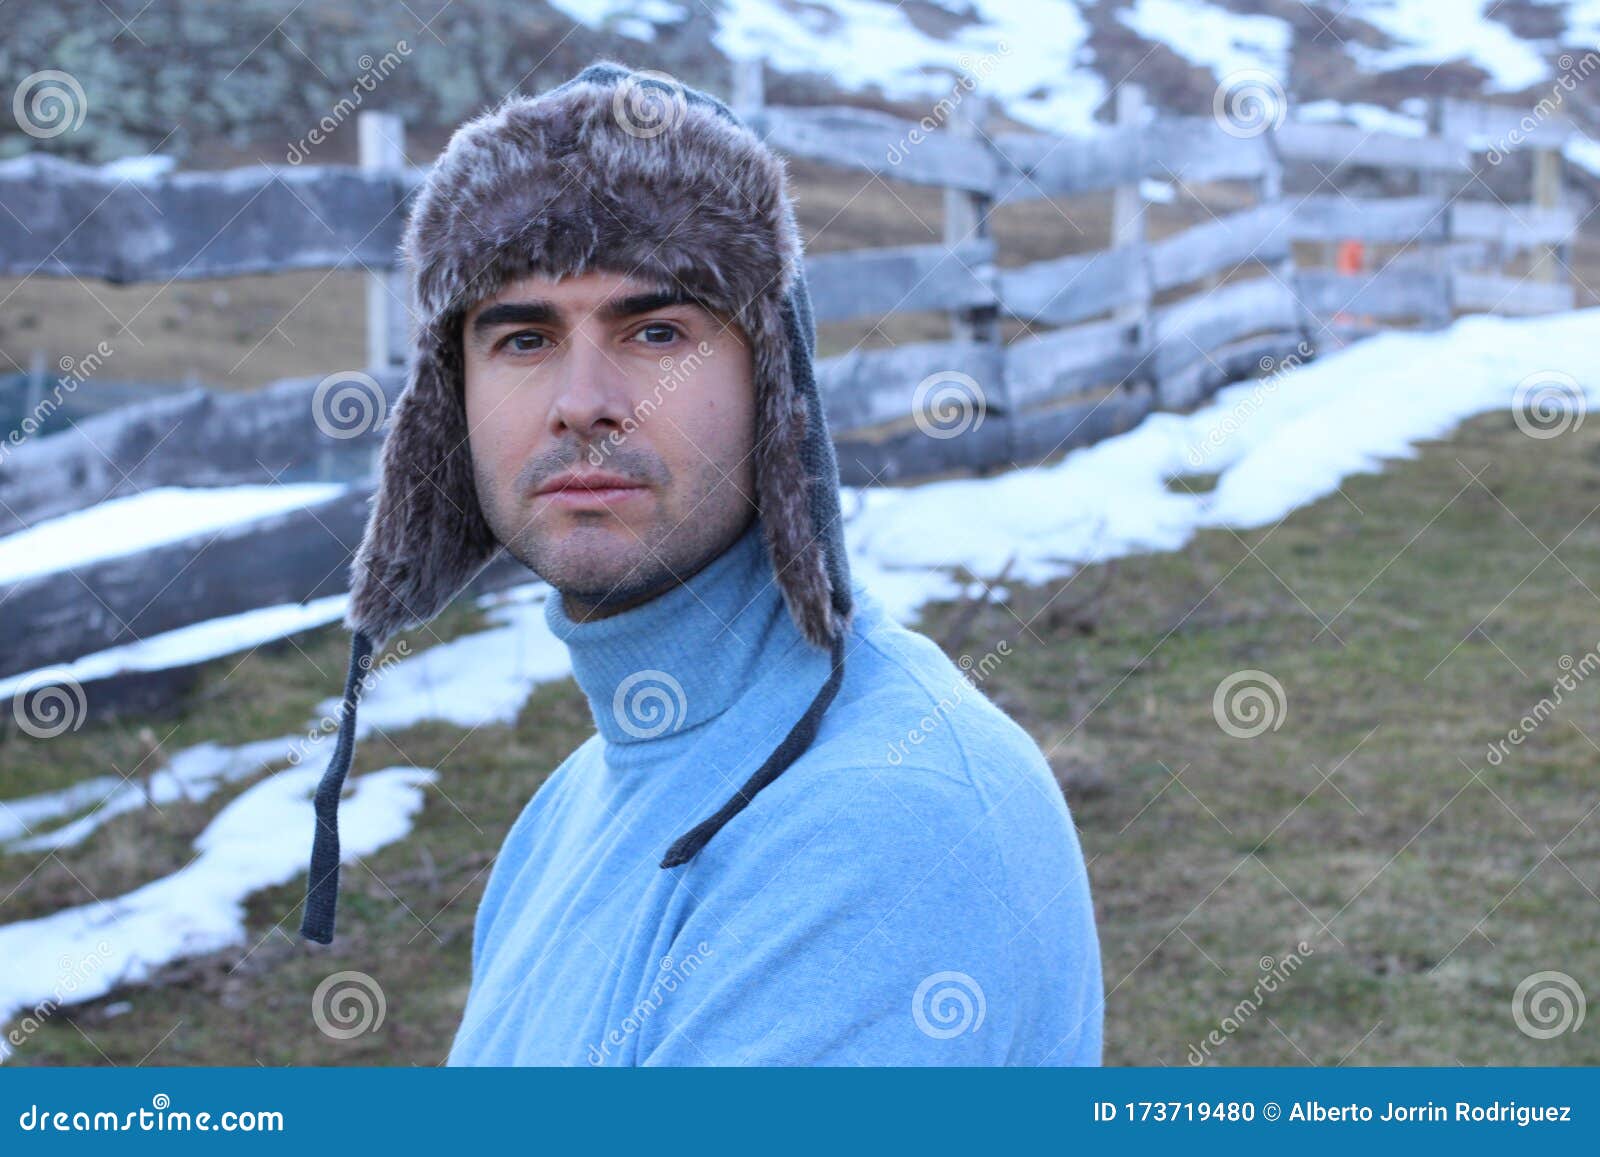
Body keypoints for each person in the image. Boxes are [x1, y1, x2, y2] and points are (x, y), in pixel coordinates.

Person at [298, 60, 1103, 1066]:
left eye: (657, 330)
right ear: (448, 402)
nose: (582, 399)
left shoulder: (883, 825)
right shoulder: (573, 804)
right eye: (521, 337)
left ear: (772, 388)